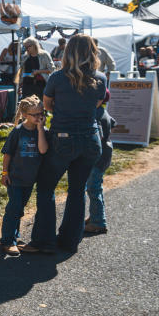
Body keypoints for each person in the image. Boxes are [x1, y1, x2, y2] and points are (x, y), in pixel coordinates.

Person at [22, 34, 106, 254]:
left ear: (68, 52)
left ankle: (44, 241)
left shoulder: (58, 78)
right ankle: (69, 241)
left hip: (64, 138)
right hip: (90, 139)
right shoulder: (100, 78)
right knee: (77, 191)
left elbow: (48, 105)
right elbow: (97, 104)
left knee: (47, 187)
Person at [0, 95, 49, 257]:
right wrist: (4, 173)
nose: (39, 117)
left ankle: (15, 236)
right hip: (15, 178)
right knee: (14, 208)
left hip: (30, 179)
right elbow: (7, 154)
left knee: (19, 209)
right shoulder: (18, 132)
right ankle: (7, 241)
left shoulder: (43, 131)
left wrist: (41, 129)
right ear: (25, 115)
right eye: (35, 114)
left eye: (41, 113)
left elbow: (43, 150)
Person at [83, 94, 116, 237]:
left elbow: (97, 137)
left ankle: (98, 222)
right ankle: (95, 215)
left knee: (93, 188)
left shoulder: (94, 115)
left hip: (97, 158)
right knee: (95, 187)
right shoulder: (103, 111)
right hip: (106, 155)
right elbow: (113, 124)